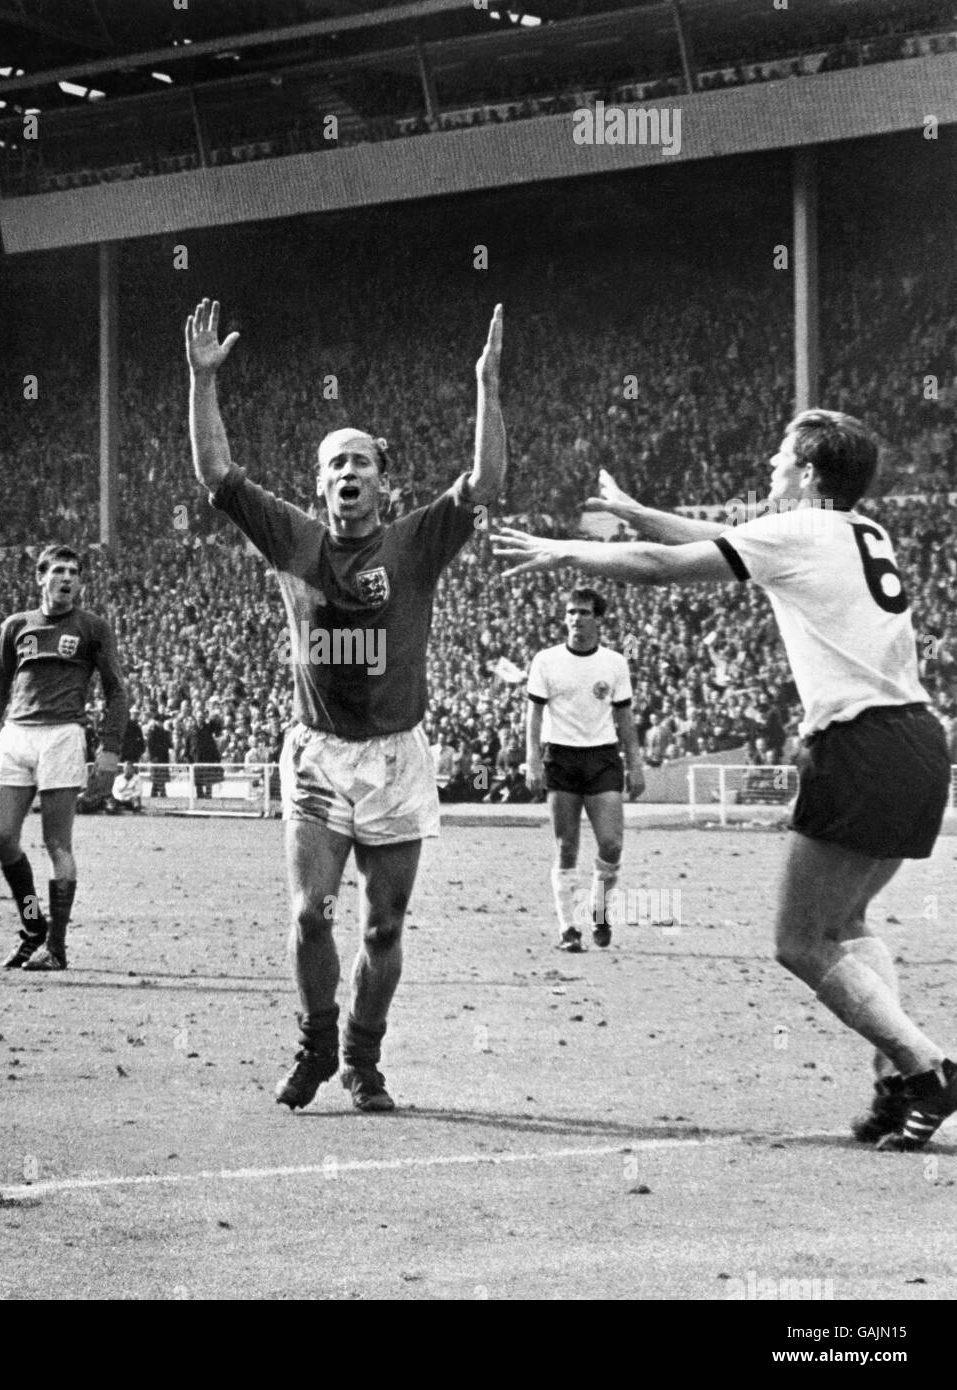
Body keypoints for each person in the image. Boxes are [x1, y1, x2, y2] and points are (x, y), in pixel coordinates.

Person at [494, 410, 955, 1151]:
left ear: (808, 474)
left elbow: (660, 566)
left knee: (799, 942)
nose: (768, 468)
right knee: (848, 924)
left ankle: (925, 1067)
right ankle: (899, 1085)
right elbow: (723, 544)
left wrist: (566, 552)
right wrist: (639, 512)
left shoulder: (802, 532)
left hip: (860, 744)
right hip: (917, 740)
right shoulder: (862, 532)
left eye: (780, 457)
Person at [186, 296, 505, 1112]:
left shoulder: (417, 542)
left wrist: (487, 388)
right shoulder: (292, 538)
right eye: (336, 463)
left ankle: (364, 1059)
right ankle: (315, 1045)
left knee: (382, 929)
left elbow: (487, 483)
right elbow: (218, 475)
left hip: (397, 758)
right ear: (320, 482)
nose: (350, 472)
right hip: (321, 754)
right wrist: (201, 381)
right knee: (309, 913)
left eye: (362, 460)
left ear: (382, 479)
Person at [0, 544, 127, 972]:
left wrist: (110, 748)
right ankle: (32, 928)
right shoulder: (16, 626)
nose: (67, 578)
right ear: (40, 577)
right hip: (16, 734)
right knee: (2, 839)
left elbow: (117, 690)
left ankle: (56, 948)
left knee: (57, 843)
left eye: (75, 573)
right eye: (59, 571)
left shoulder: (93, 627)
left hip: (62, 736)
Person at [526, 588, 645, 952]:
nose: (575, 618)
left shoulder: (614, 663)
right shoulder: (546, 660)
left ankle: (599, 910)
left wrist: (635, 763)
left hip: (602, 757)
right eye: (570, 612)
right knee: (566, 847)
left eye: (583, 612)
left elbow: (624, 718)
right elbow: (533, 714)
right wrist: (532, 759)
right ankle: (568, 929)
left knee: (611, 843)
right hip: (561, 756)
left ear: (598, 619)